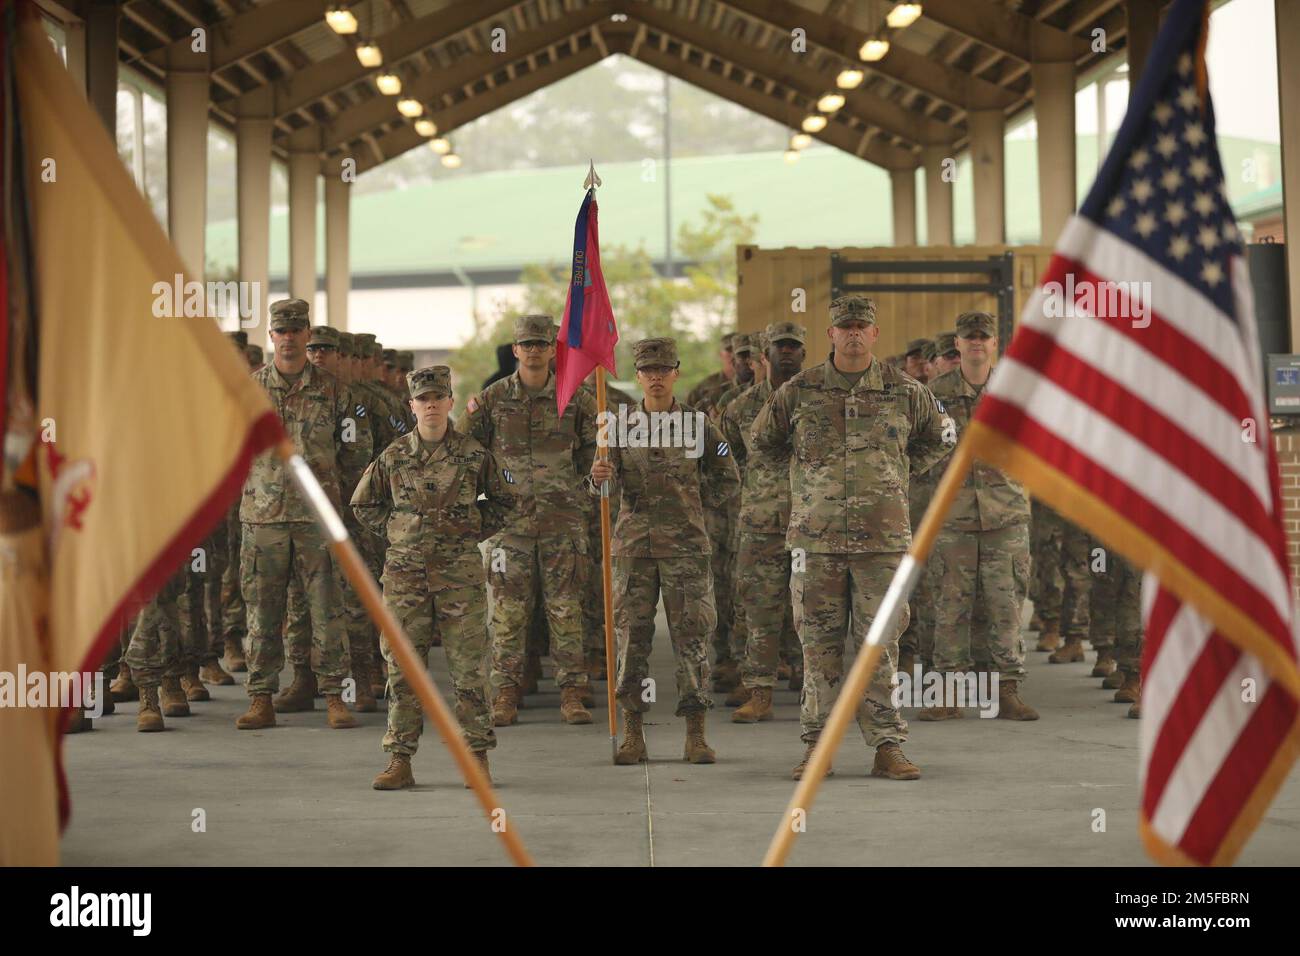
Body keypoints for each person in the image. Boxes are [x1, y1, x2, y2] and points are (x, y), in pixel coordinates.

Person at [751, 294, 952, 780]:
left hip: (883, 542)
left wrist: (897, 475)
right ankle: (817, 747)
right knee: (817, 648)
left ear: (875, 334)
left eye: (863, 326)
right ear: (832, 335)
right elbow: (761, 442)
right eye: (847, 327)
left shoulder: (905, 390)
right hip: (815, 543)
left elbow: (937, 439)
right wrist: (807, 484)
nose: (855, 333)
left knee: (880, 646)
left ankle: (886, 745)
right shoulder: (801, 390)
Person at [352, 366, 514, 789]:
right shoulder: (393, 456)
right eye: (422, 400)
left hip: (458, 576)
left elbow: (504, 501)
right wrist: (398, 531)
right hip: (405, 578)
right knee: (403, 670)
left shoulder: (474, 454)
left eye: (437, 398)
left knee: (469, 670)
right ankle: (400, 758)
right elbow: (363, 504)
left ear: (449, 403)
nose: (430, 406)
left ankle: (477, 756)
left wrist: (469, 532)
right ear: (412, 406)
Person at [589, 337, 740, 765]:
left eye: (664, 369)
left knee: (692, 639)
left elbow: (727, 478)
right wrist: (598, 477)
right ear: (637, 377)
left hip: (686, 549)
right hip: (633, 548)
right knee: (630, 640)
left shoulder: (699, 425)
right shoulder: (616, 426)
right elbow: (603, 488)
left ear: (676, 373)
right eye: (648, 371)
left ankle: (696, 732)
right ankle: (633, 732)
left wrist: (694, 503)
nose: (656, 377)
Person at [235, 298, 372, 731]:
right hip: (264, 518)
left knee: (327, 609)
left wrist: (340, 502)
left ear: (308, 334)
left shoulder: (336, 392)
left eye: (297, 330)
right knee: (263, 612)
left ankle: (334, 695)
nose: (289, 337)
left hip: (318, 519)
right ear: (271, 336)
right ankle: (261, 698)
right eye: (281, 330)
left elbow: (357, 453)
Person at [465, 315, 598, 726]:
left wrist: (575, 489)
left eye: (543, 343)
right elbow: (468, 450)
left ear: (552, 349)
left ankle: (572, 693)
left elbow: (594, 452)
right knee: (507, 614)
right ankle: (505, 692)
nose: (536, 350)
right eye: (528, 344)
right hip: (510, 529)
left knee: (566, 610)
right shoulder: (491, 399)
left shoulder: (576, 397)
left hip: (563, 524)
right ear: (516, 349)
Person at [919, 311, 1038, 721]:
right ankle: (948, 692)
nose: (975, 343)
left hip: (1005, 516)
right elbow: (914, 451)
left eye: (982, 337)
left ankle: (1007, 690)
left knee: (1006, 604)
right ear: (957, 344)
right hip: (953, 518)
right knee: (950, 606)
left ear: (994, 343)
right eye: (968, 337)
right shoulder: (932, 394)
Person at [720, 322, 807, 722]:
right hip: (760, 525)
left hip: (812, 525)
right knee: (760, 611)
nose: (786, 353)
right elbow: (727, 461)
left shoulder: (819, 400)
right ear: (763, 355)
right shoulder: (740, 408)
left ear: (804, 353)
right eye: (779, 347)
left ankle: (815, 689)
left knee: (816, 613)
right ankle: (759, 692)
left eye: (793, 347)